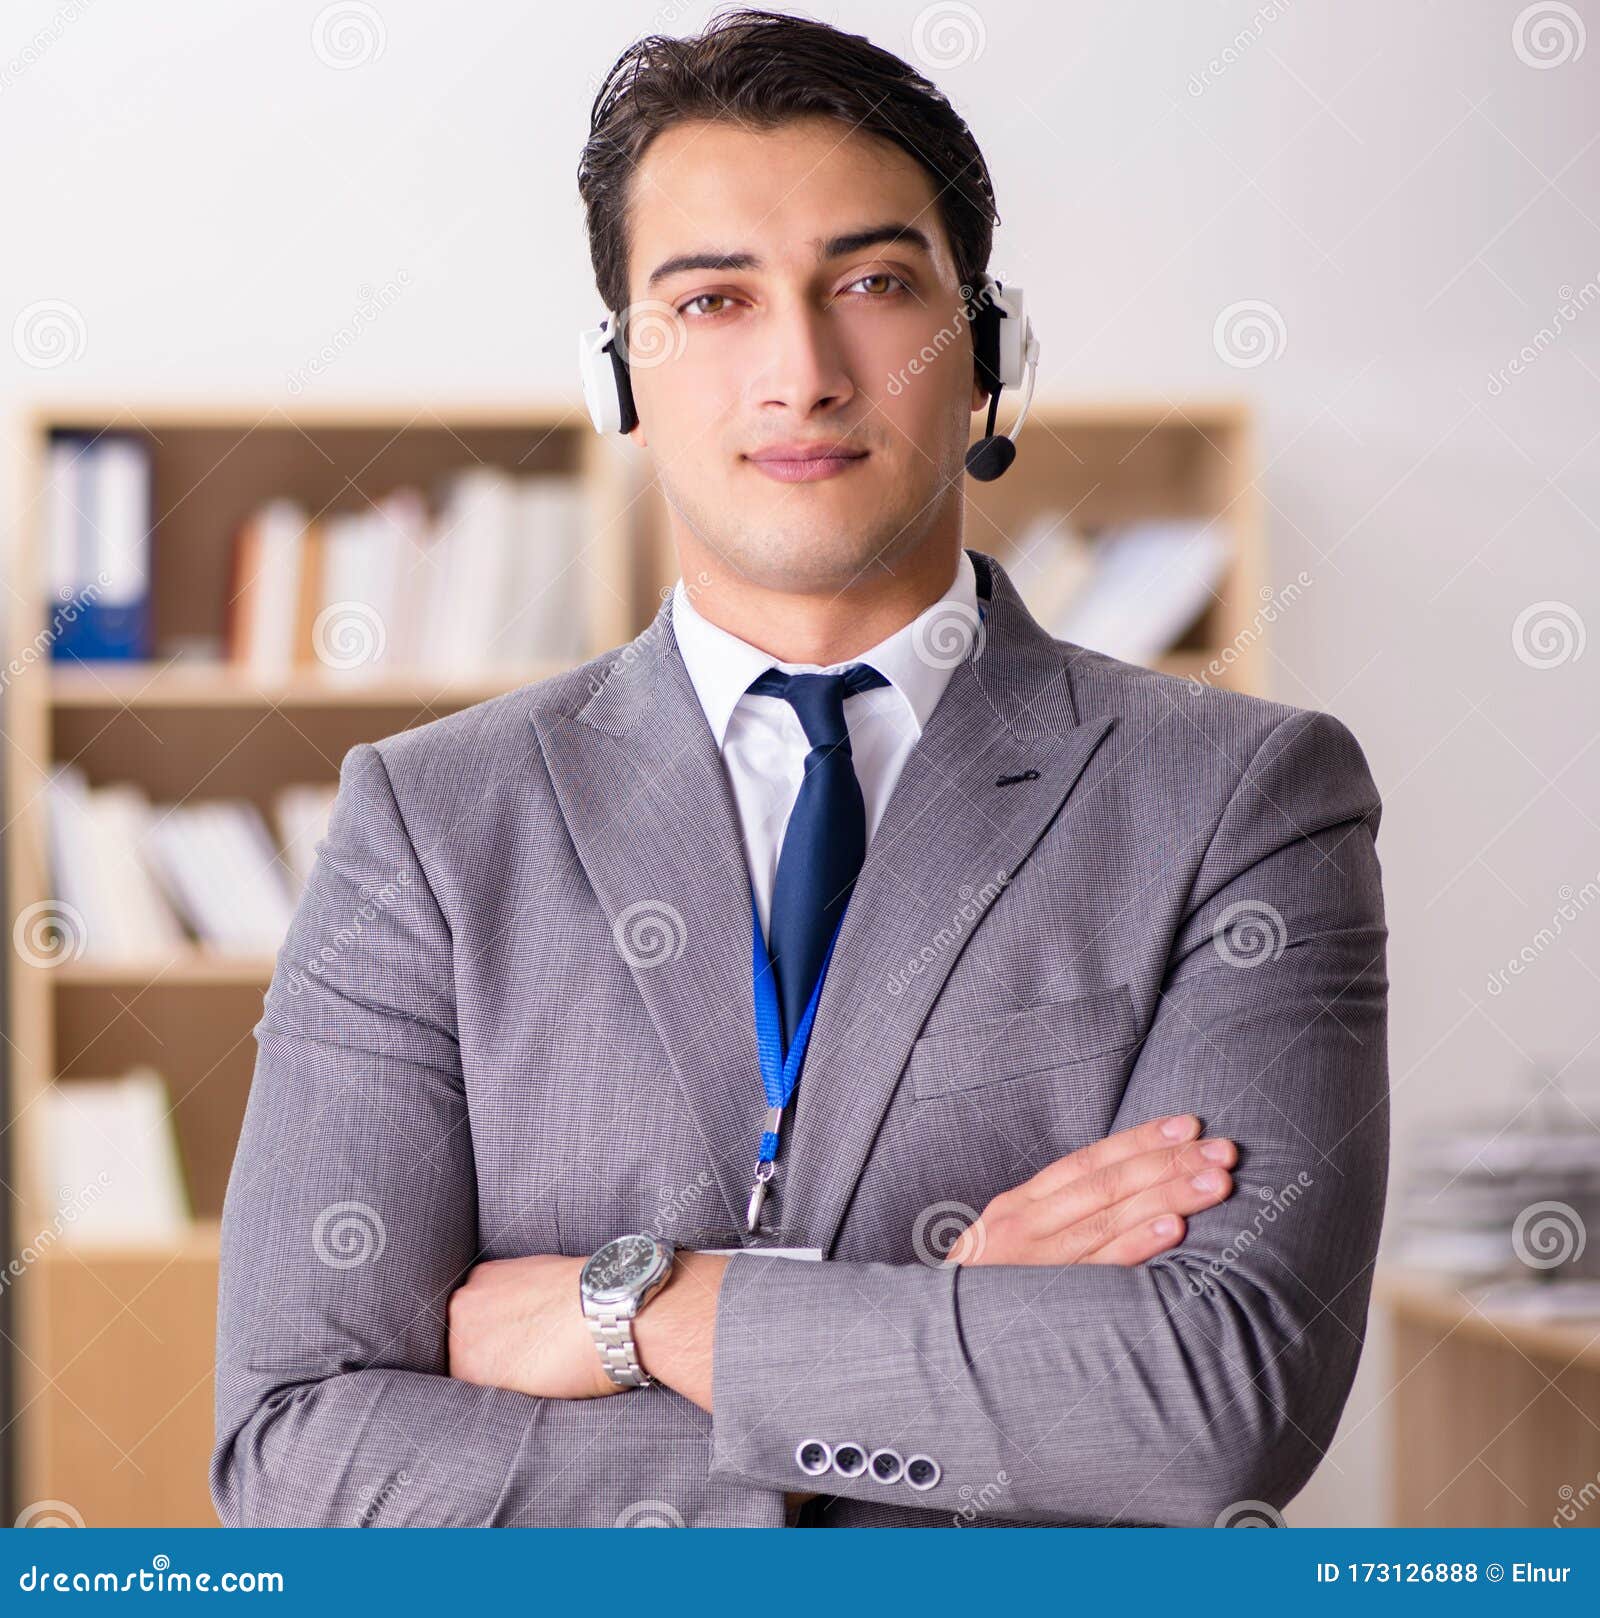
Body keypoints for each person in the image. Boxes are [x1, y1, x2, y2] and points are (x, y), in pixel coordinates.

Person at [211, 9, 1389, 1529]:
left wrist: (632, 1312)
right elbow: (299, 1457)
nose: (804, 371)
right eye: (712, 300)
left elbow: (1210, 1407)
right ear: (617, 375)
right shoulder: (432, 824)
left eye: (876, 283)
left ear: (990, 350)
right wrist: (935, 1368)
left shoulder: (1241, 795)